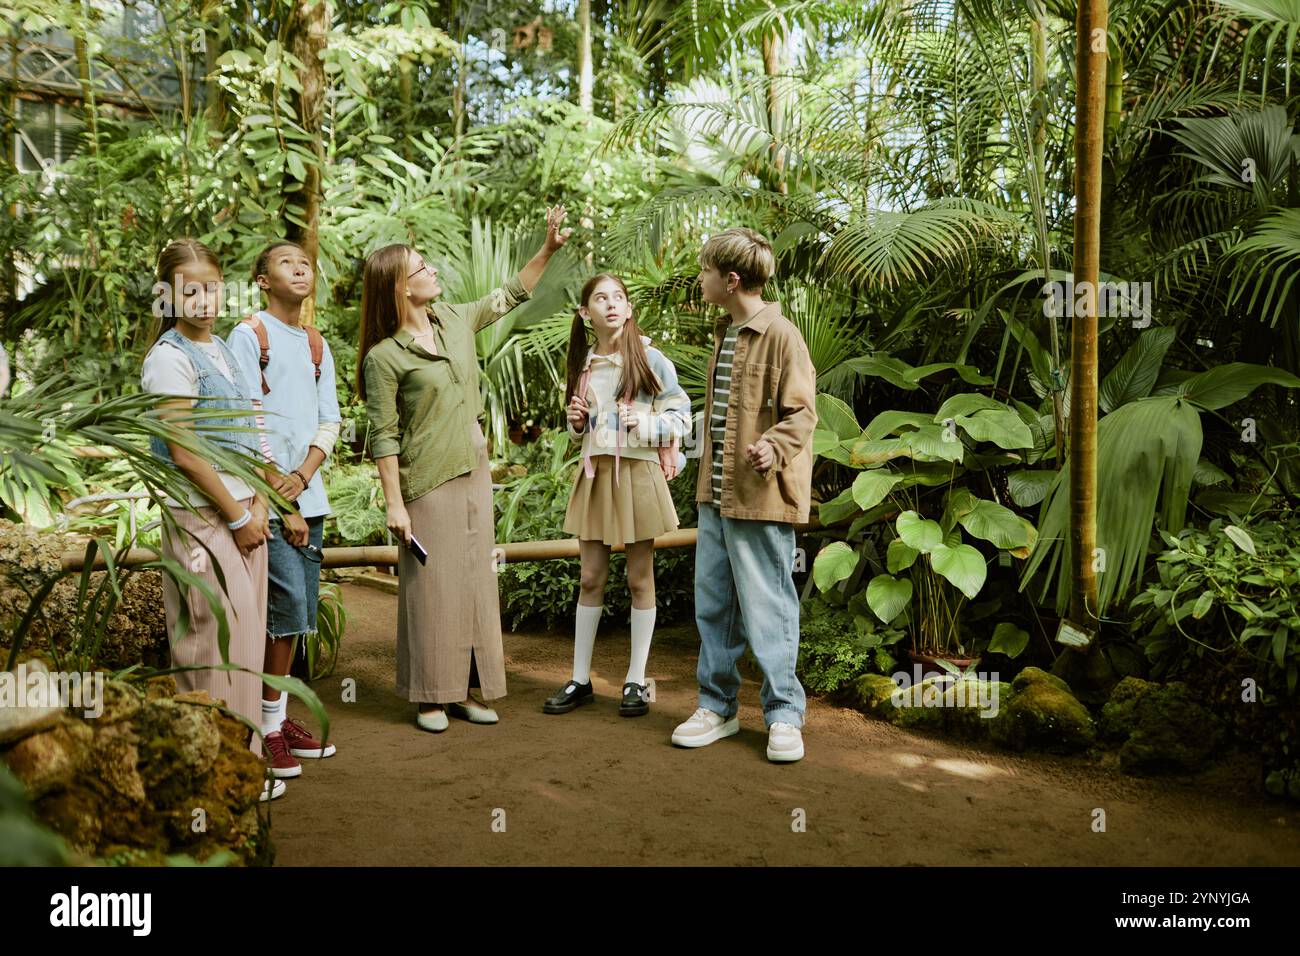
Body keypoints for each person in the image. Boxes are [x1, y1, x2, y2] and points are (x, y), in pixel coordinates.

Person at [358, 206, 572, 733]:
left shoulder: (454, 318)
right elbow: (383, 436)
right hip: (427, 478)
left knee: (476, 579)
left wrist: (547, 249)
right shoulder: (384, 357)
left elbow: (510, 294)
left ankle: (466, 692)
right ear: (399, 289)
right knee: (431, 586)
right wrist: (393, 503)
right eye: (421, 268)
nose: (432, 271)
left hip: (474, 467)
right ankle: (431, 696)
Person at [141, 238, 282, 800]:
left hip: (246, 512)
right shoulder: (169, 357)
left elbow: (250, 431)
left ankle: (241, 767)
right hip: (202, 516)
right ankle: (206, 774)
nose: (203, 299)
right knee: (211, 644)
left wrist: (262, 505)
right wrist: (235, 514)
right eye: (189, 290)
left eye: (212, 288)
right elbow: (184, 451)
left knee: (245, 643)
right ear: (167, 296)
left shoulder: (225, 349)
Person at [669, 227, 818, 763]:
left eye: (706, 271)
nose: (700, 279)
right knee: (714, 604)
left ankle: (783, 715)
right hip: (715, 493)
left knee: (768, 606)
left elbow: (802, 413)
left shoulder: (781, 335)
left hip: (758, 495)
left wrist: (772, 448)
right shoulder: (725, 333)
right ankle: (717, 707)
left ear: (731, 281)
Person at [543, 274, 691, 718]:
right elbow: (580, 435)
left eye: (619, 298)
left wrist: (643, 425)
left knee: (639, 579)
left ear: (628, 310)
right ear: (586, 313)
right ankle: (580, 679)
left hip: (638, 474)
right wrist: (575, 421)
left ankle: (634, 681)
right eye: (600, 298)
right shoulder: (583, 365)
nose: (611, 304)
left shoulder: (649, 357)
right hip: (595, 475)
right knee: (590, 578)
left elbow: (682, 416)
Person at [228, 240, 341, 784]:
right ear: (261, 279)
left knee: (296, 615)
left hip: (307, 496)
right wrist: (281, 493)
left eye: (305, 262)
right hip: (266, 500)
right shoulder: (250, 337)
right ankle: (265, 728)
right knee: (284, 606)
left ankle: (274, 716)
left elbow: (330, 421)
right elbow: (245, 419)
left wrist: (303, 478)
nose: (299, 268)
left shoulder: (317, 343)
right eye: (285, 263)